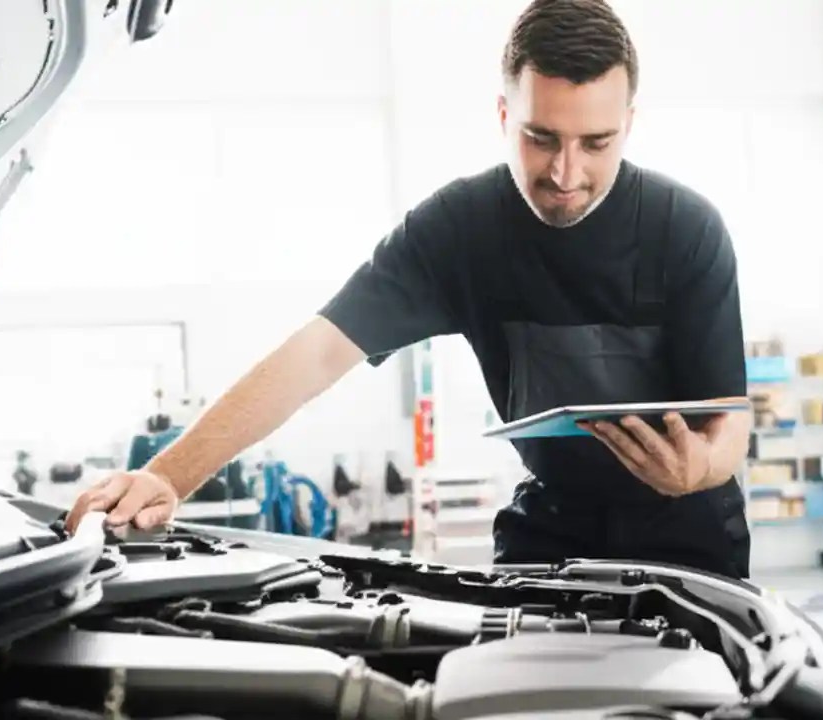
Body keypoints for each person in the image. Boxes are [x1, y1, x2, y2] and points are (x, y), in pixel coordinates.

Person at [65, 0, 753, 579]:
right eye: (542, 138)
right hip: (552, 529)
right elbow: (317, 353)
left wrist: (698, 469)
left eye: (596, 143)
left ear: (630, 122)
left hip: (686, 533)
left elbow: (729, 423)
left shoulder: (685, 229)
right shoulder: (459, 230)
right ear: (502, 114)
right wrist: (170, 476)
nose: (566, 173)